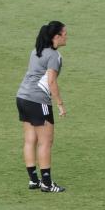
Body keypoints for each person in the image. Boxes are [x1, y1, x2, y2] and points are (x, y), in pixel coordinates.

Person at [16, 21, 69, 193]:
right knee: (46, 142)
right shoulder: (54, 56)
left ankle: (34, 180)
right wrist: (60, 104)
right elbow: (51, 82)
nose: (66, 36)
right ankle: (46, 183)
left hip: (22, 97)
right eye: (64, 34)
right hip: (38, 101)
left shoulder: (36, 51)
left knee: (30, 139)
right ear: (56, 37)